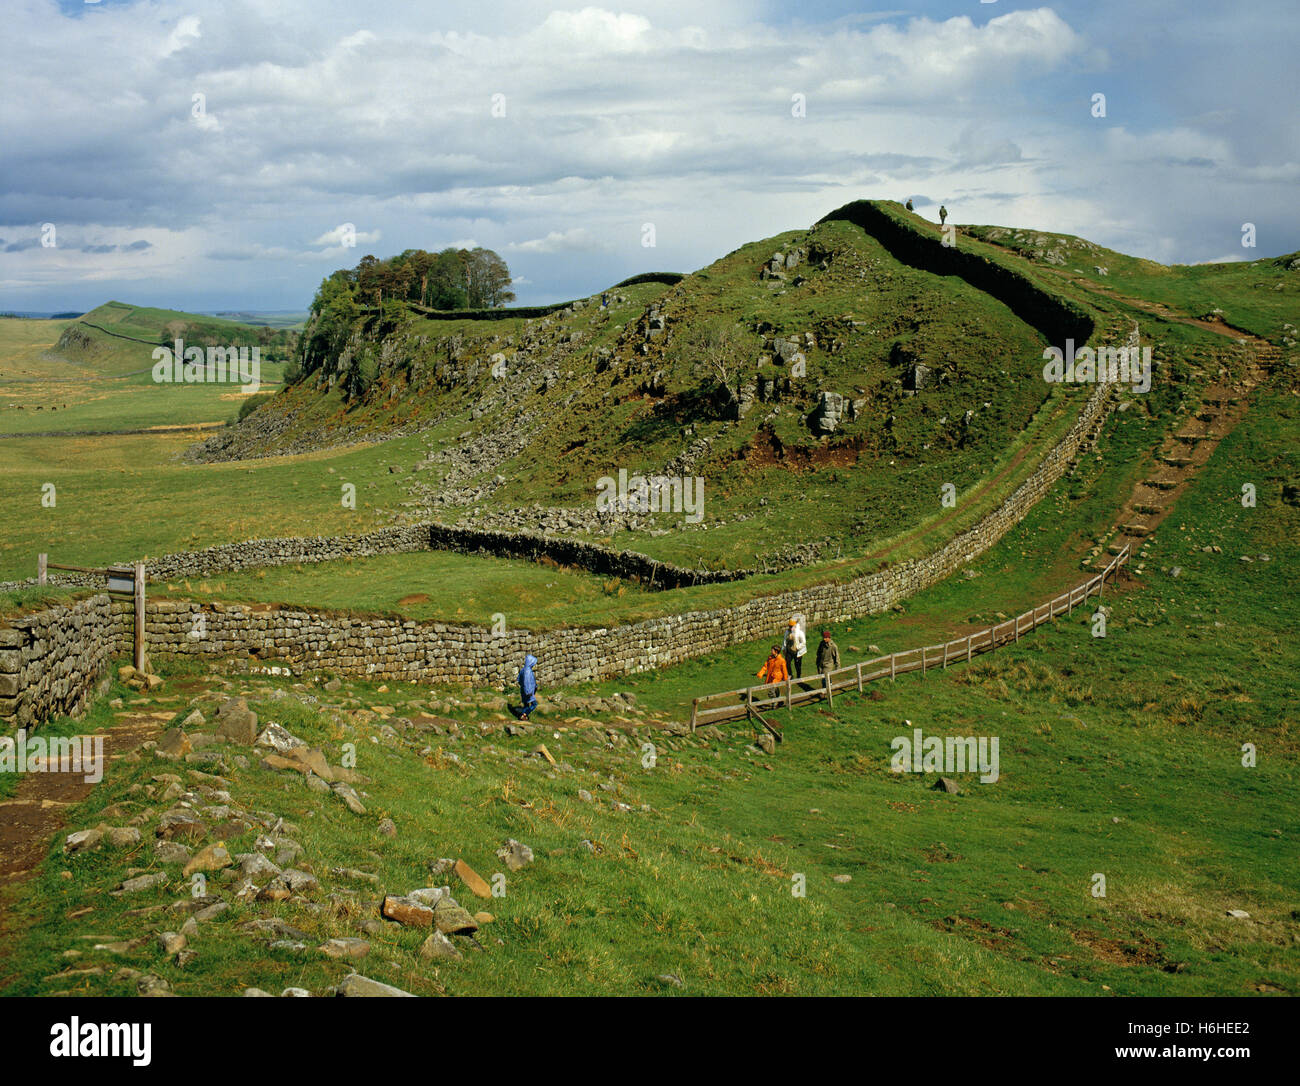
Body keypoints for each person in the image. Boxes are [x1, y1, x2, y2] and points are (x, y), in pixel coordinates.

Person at [517, 653, 538, 720]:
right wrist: (529, 692)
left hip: (523, 690)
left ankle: (523, 716)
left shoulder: (523, 670)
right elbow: (527, 682)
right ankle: (524, 714)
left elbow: (519, 680)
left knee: (526, 704)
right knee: (534, 704)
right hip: (528, 692)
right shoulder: (528, 672)